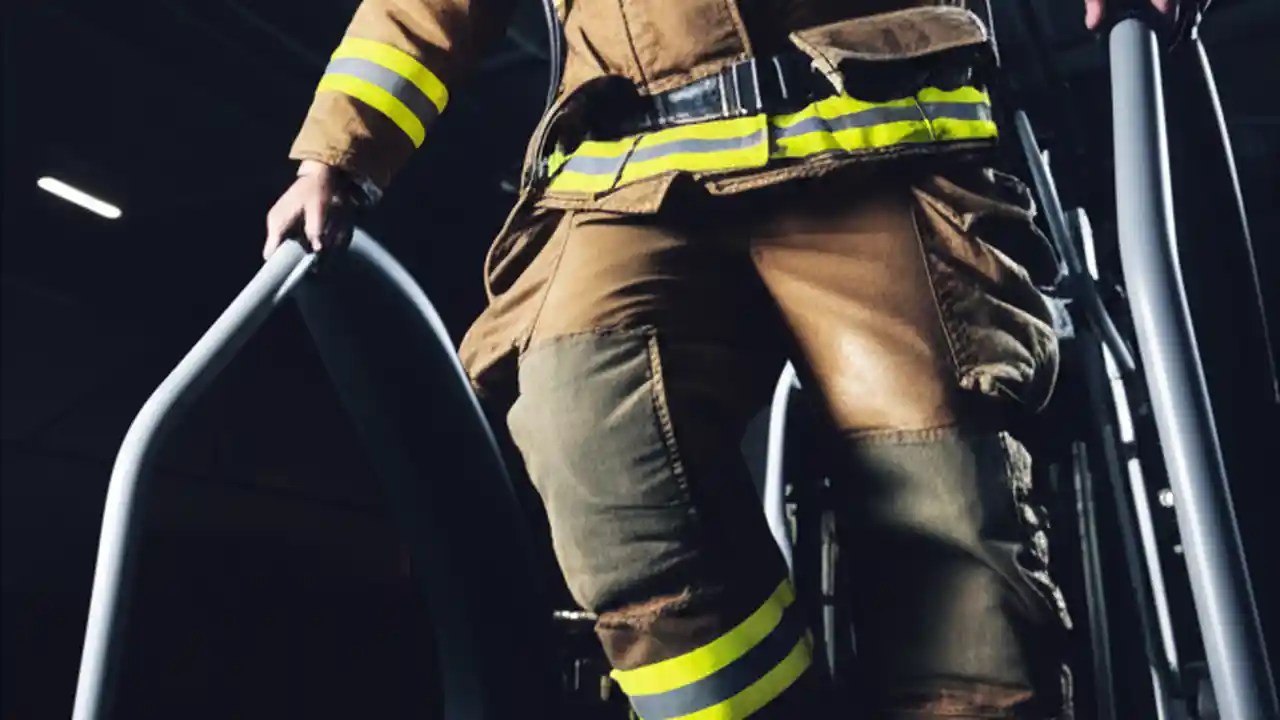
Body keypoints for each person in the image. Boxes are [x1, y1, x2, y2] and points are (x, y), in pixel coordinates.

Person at [263, 0, 1188, 716]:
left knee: (947, 506)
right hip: (635, 182)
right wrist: (337, 156)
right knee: (591, 441)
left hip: (874, 146)